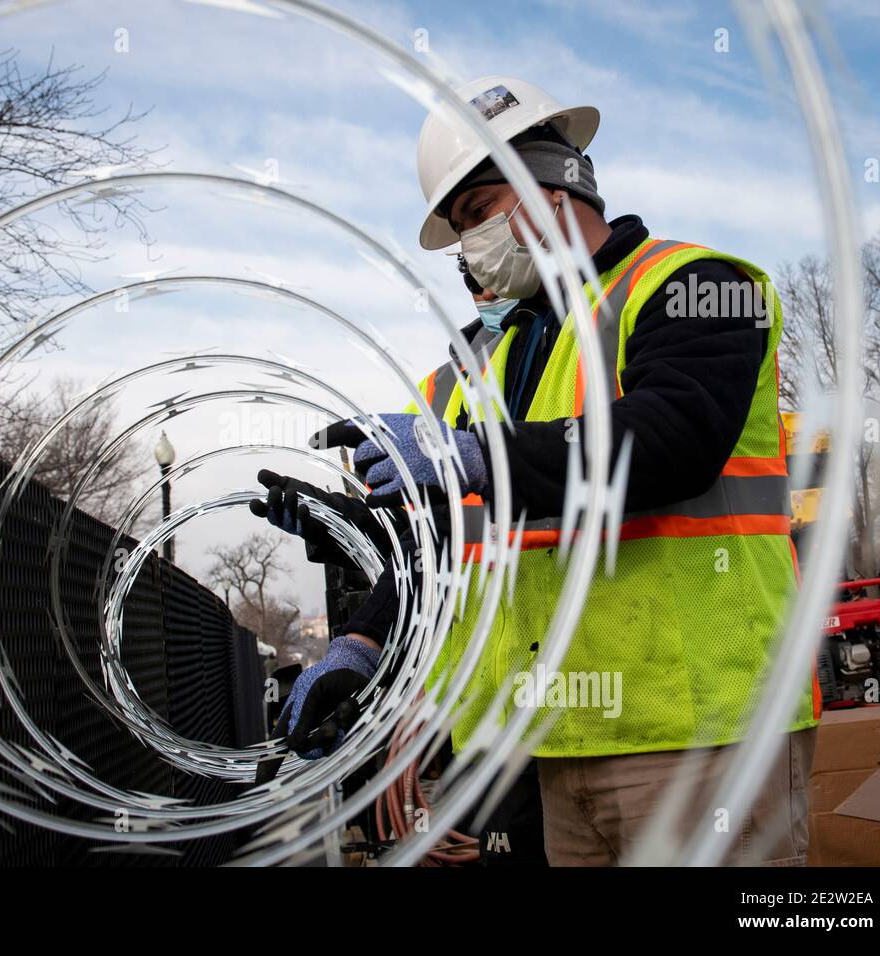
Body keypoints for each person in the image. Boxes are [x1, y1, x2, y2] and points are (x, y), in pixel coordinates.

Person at [251, 75, 818, 866]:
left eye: (480, 212)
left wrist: (475, 453)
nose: (471, 243)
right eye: (460, 228)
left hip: (703, 732)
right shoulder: (496, 360)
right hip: (560, 744)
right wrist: (358, 643)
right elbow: (454, 539)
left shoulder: (696, 286)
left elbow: (676, 436)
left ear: (548, 185)